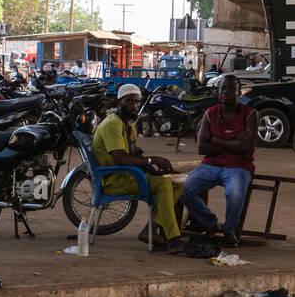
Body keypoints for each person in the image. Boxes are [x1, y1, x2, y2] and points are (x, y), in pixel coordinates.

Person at [92, 84, 186, 252]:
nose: (134, 106)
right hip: (115, 179)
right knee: (163, 185)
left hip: (129, 174)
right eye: (129, 102)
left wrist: (154, 168)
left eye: (137, 102)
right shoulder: (112, 124)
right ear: (119, 101)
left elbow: (135, 154)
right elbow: (120, 158)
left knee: (176, 183)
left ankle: (149, 230)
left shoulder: (128, 124)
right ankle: (173, 239)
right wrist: (153, 159)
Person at [182, 75, 258, 247]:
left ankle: (229, 230)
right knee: (186, 189)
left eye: (231, 89)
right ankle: (210, 224)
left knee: (235, 194)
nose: (225, 92)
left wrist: (215, 140)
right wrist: (234, 143)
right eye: (223, 88)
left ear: (239, 92)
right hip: (211, 164)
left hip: (239, 166)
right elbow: (202, 147)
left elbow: (245, 147)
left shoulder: (251, 114)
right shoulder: (211, 113)